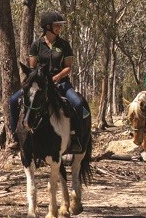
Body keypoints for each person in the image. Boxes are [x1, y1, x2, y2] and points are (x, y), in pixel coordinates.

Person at [7, 11, 90, 150]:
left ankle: (76, 138)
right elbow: (32, 67)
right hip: (40, 84)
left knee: (79, 103)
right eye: (56, 25)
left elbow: (68, 67)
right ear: (47, 27)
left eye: (60, 25)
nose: (59, 28)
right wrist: (40, 79)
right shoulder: (37, 45)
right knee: (13, 100)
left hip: (61, 83)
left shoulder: (64, 45)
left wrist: (57, 77)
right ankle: (15, 137)